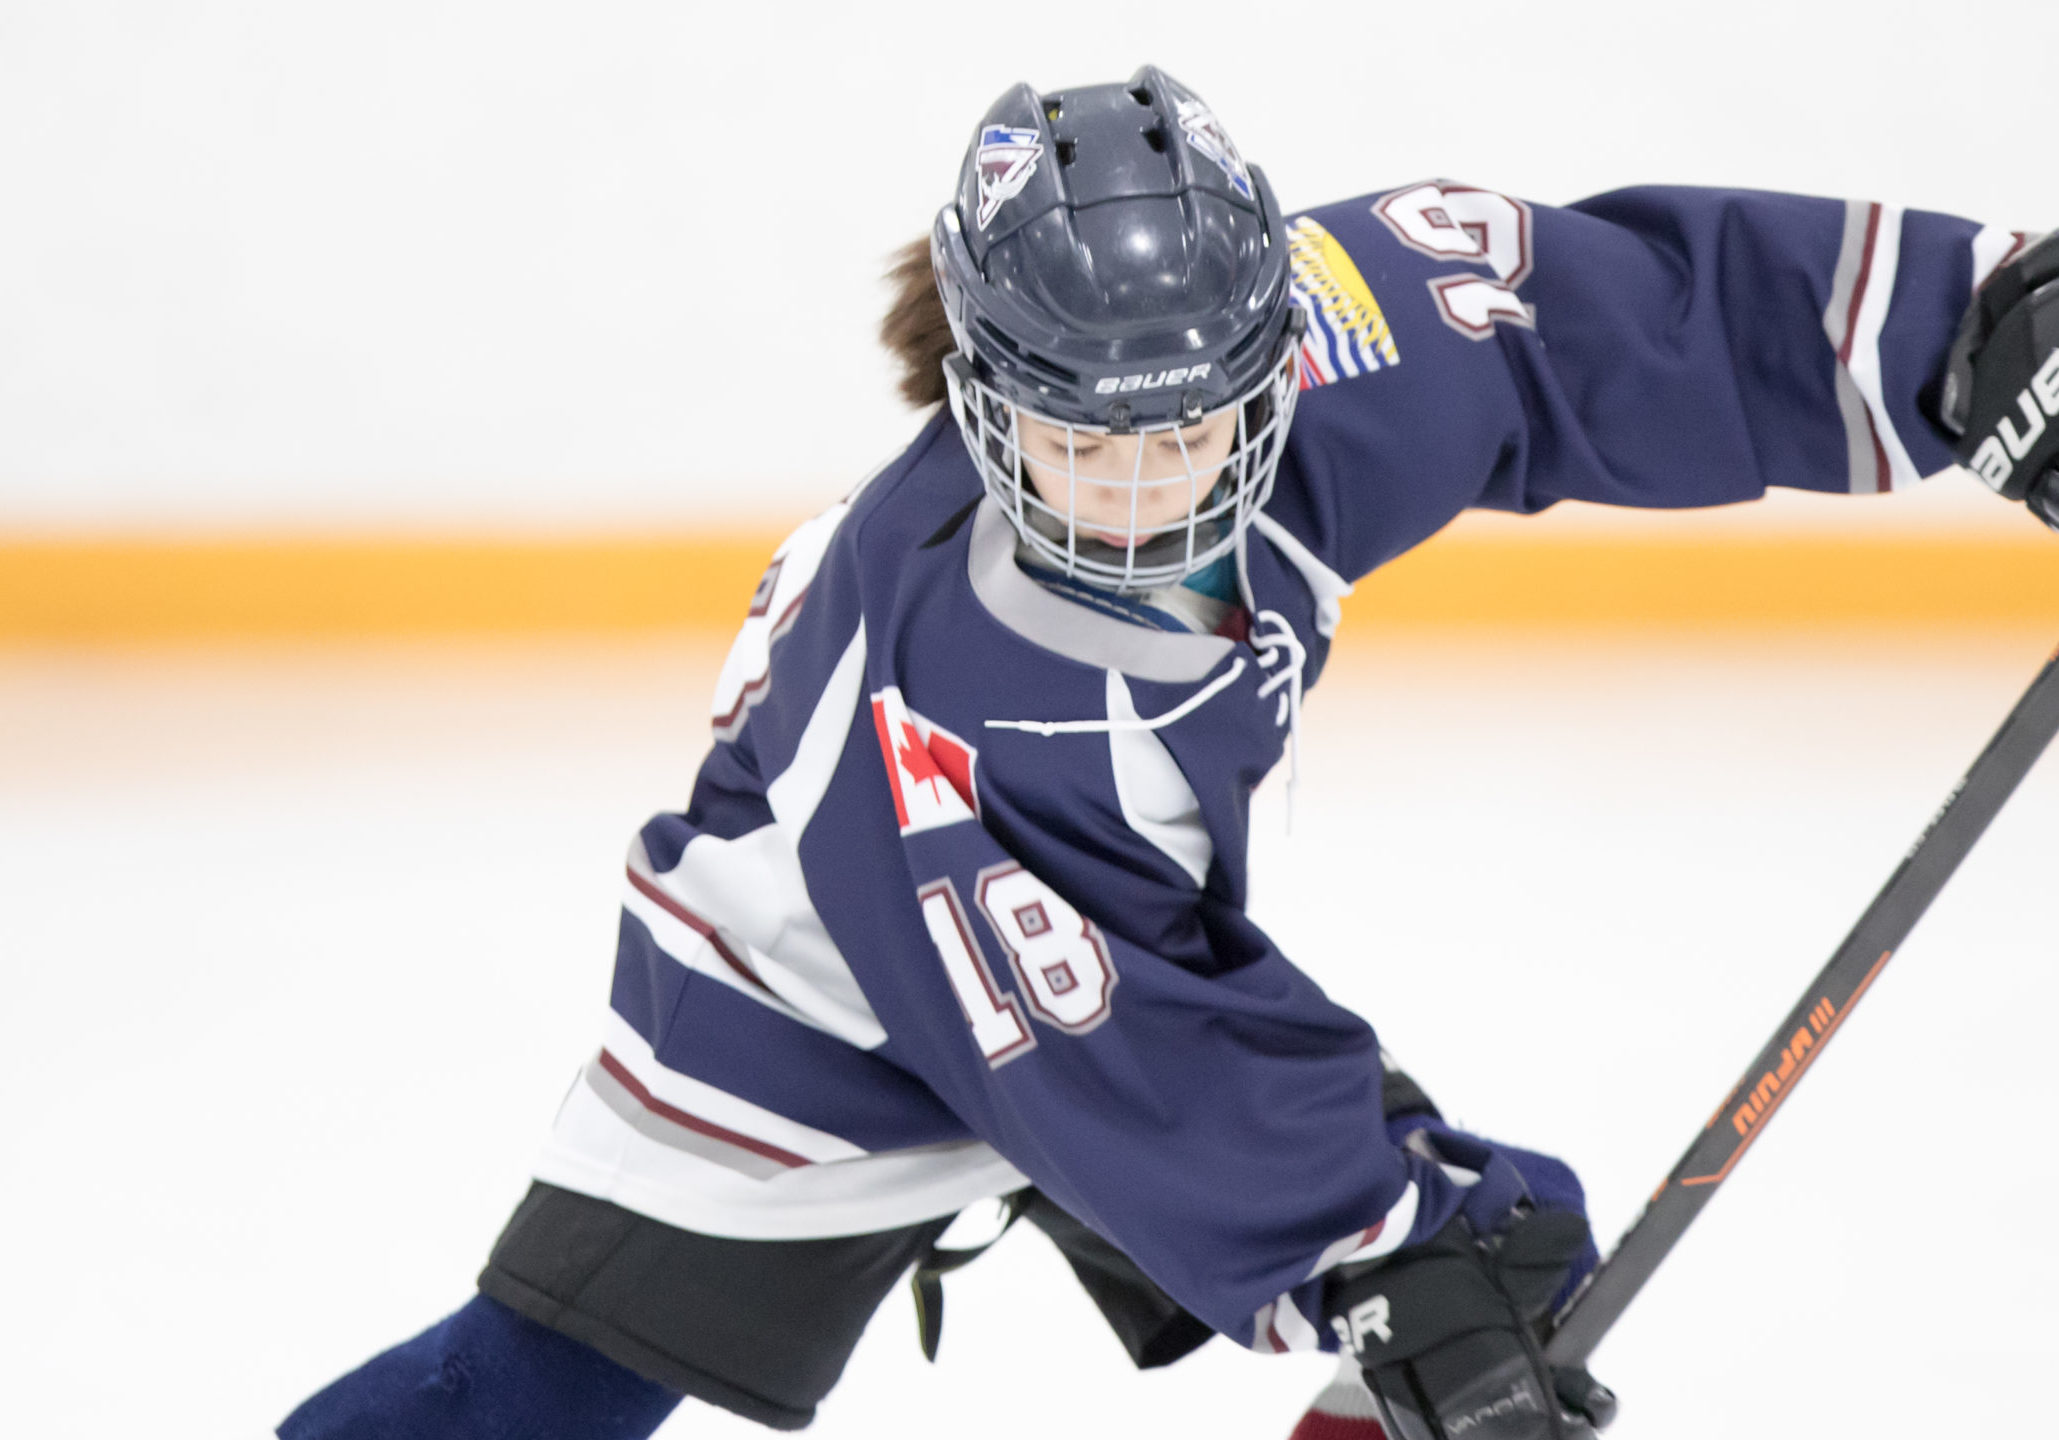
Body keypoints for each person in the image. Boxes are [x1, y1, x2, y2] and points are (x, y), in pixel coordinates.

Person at [277, 65, 2057, 1440]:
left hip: (1093, 938)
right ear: (982, 400)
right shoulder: (967, 702)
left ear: (1273, 356)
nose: (1146, 491)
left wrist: (1978, 339)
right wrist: (1374, 1255)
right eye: (1079, 444)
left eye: (1197, 428)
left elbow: (1594, 317)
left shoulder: (1318, 339)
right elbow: (1118, 1056)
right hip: (820, 980)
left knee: (1481, 1289)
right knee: (535, 1389)